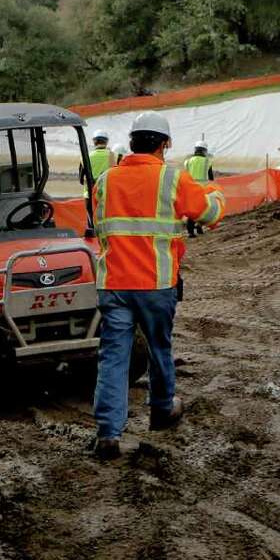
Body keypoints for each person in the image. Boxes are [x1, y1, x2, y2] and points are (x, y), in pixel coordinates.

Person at [87, 111, 225, 460]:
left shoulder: (104, 181)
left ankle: (107, 433)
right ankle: (162, 408)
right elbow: (208, 215)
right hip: (155, 283)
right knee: (158, 348)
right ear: (164, 145)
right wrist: (216, 192)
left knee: (113, 356)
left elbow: (100, 227)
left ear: (131, 144)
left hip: (114, 283)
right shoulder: (171, 178)